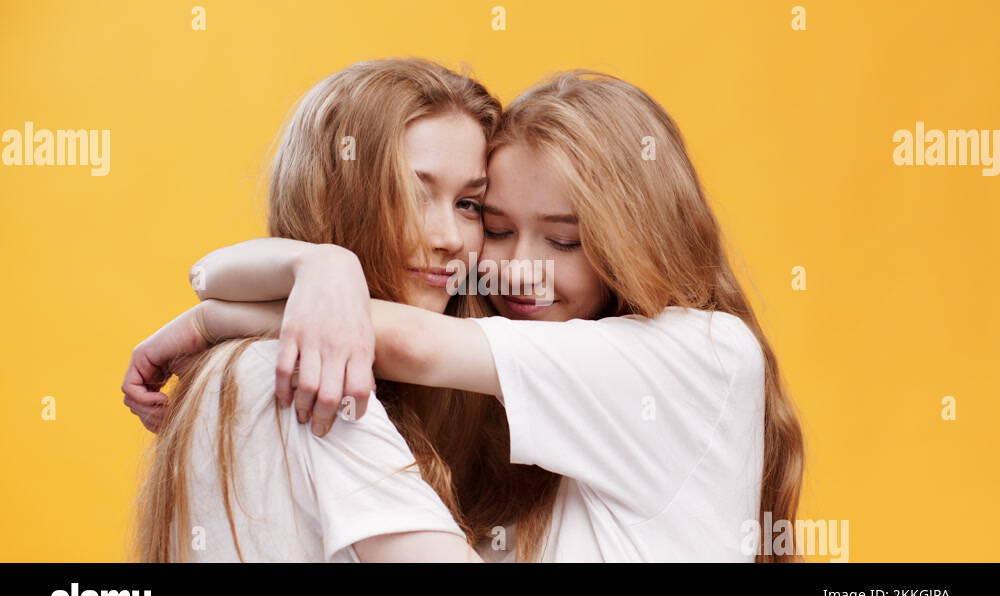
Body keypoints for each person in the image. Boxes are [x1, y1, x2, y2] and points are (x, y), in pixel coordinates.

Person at [127, 71, 805, 562]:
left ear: (635, 237)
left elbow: (417, 346)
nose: (516, 268)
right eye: (499, 226)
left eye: (565, 239)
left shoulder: (702, 351)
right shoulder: (301, 379)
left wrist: (249, 302)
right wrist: (312, 272)